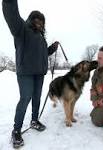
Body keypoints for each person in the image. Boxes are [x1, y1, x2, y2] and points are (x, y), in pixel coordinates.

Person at [2, 0, 59, 148]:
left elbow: (43, 54)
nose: (39, 23)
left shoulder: (41, 38)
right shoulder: (22, 30)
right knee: (25, 98)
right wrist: (9, 2)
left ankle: (34, 120)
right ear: (31, 20)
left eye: (42, 22)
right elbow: (12, 15)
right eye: (37, 20)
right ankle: (16, 130)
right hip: (26, 73)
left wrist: (52, 48)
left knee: (36, 98)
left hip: (39, 73)